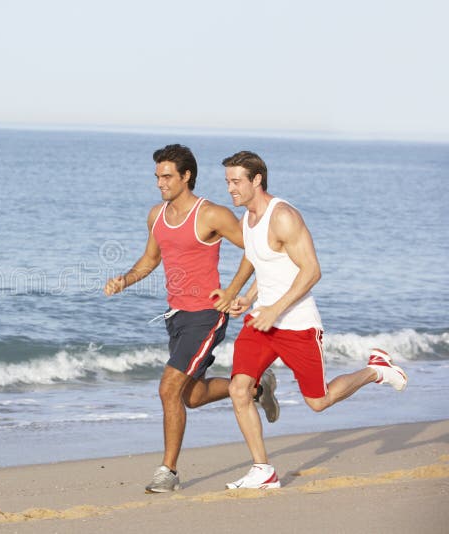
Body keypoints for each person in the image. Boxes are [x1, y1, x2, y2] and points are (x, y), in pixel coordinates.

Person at [220, 150, 408, 490]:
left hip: (297, 324)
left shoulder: (284, 217)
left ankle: (376, 369)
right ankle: (263, 470)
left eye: (236, 182)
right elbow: (267, 262)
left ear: (257, 180)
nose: (230, 189)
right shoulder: (247, 218)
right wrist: (248, 298)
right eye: (228, 182)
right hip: (262, 321)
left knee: (318, 401)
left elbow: (312, 271)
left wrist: (276, 309)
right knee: (239, 389)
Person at [104, 144, 279, 493]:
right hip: (176, 316)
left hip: (206, 316)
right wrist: (125, 279)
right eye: (157, 177)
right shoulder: (156, 215)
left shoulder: (211, 215)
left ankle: (168, 472)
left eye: (167, 176)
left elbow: (258, 248)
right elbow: (151, 259)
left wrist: (233, 293)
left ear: (187, 176)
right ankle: (256, 388)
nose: (160, 183)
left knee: (168, 388)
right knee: (191, 397)